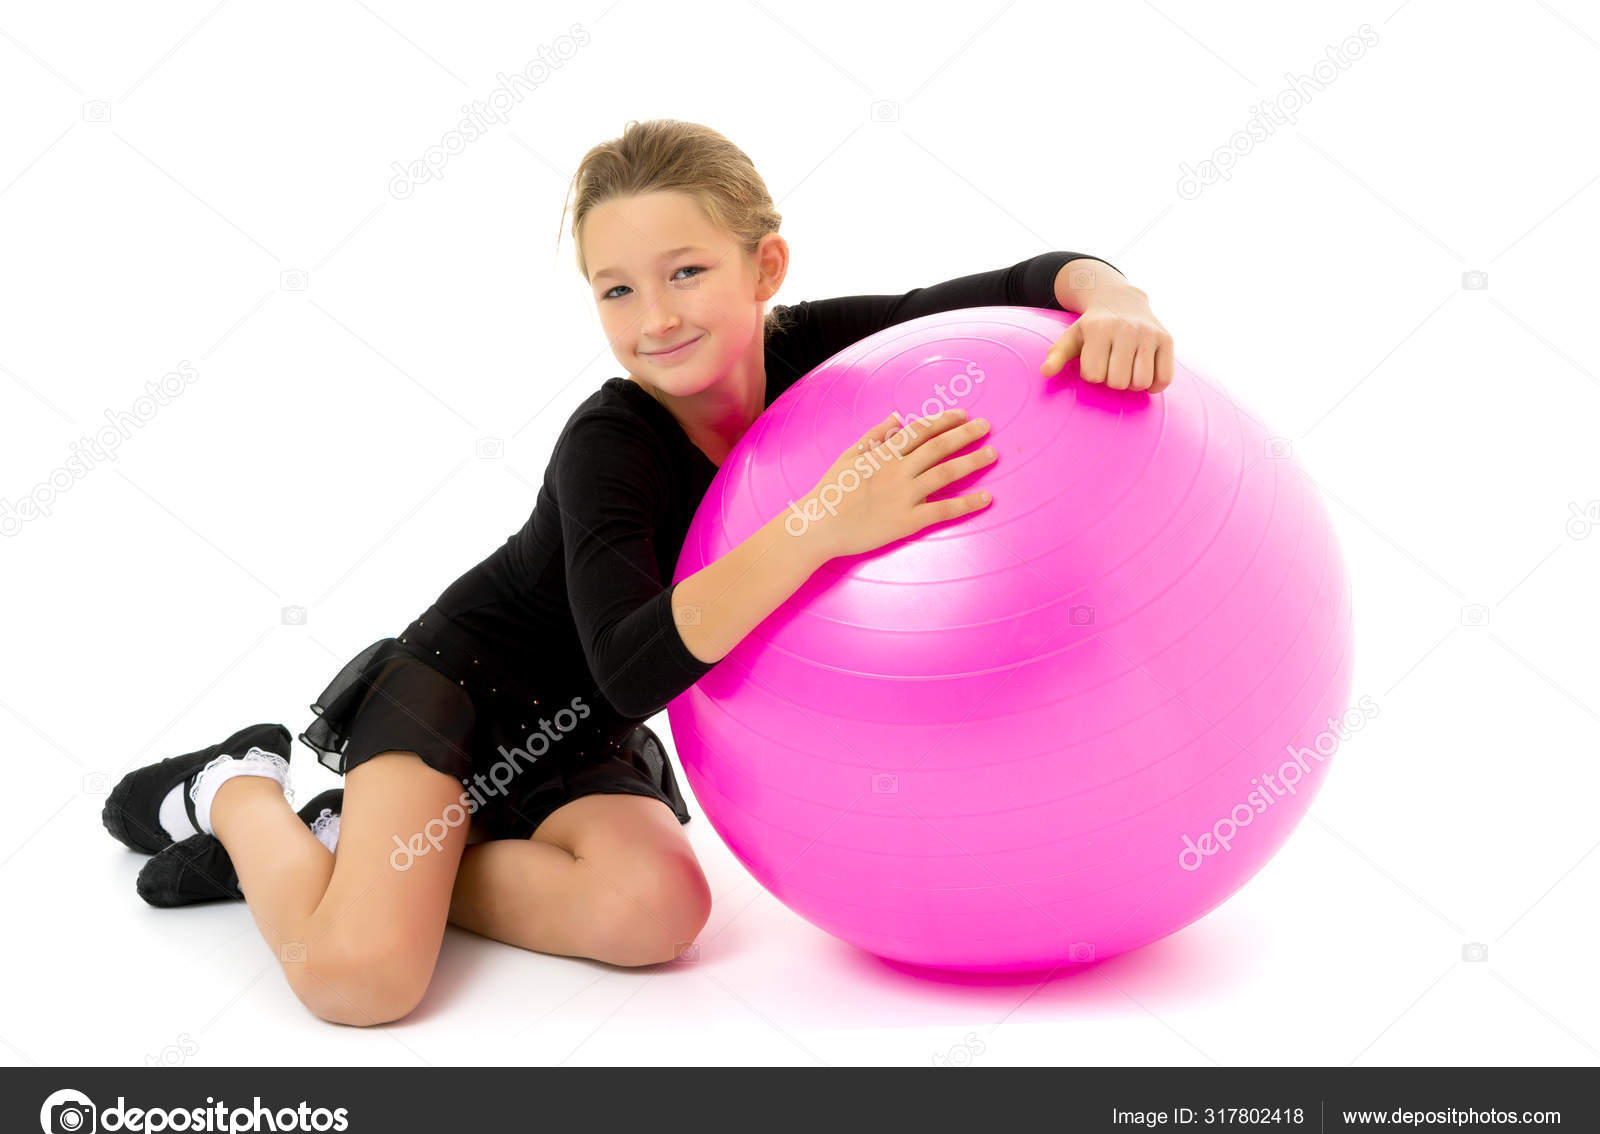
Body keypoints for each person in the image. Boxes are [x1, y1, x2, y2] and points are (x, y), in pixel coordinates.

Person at [101, 118, 1175, 1026]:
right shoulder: (608, 441)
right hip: (456, 695)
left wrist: (1116, 299)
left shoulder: (817, 356)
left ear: (766, 268)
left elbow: (1023, 282)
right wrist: (823, 524)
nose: (653, 318)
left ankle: (345, 844)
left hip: (571, 736)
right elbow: (629, 666)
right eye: (615, 290)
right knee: (362, 983)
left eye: (686, 273)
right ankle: (242, 792)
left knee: (658, 914)